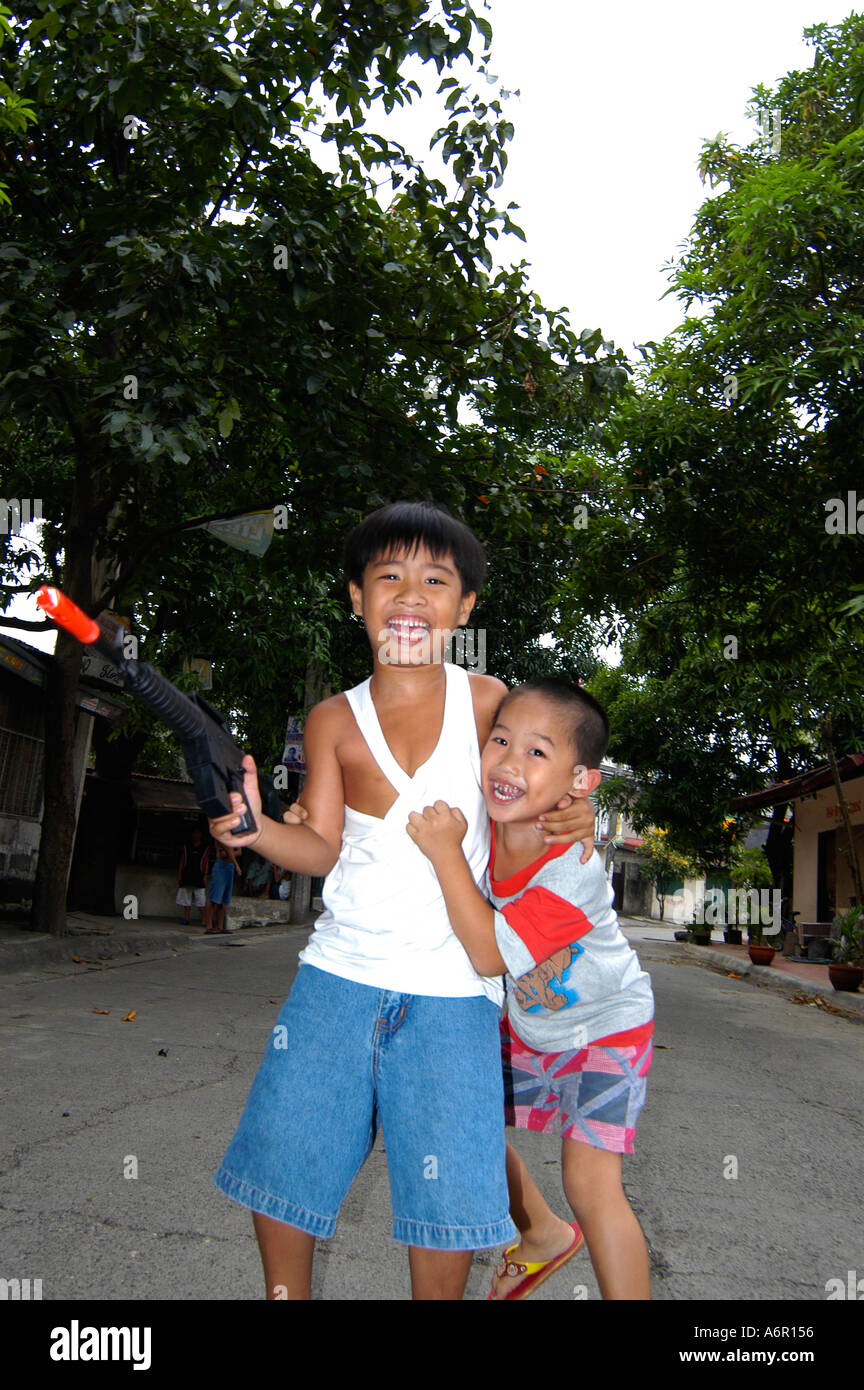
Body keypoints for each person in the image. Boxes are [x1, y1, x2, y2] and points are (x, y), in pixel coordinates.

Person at [207, 501, 596, 1301]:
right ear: (356, 598)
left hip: (455, 992)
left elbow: (546, 777)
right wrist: (253, 833)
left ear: (464, 608)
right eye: (388, 577)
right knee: (287, 1154)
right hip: (337, 976)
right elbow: (317, 842)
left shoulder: (491, 702)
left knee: (449, 1194)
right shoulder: (331, 720)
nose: (410, 595)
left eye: (434, 580)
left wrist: (575, 810)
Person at [407, 677, 654, 1301]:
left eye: (537, 752)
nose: (510, 762)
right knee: (459, 1122)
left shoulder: (570, 869)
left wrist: (444, 857)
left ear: (581, 782)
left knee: (591, 1187)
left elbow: (490, 953)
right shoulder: (486, 825)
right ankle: (542, 1233)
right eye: (500, 741)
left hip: (606, 1027)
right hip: (531, 1025)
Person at [176, 825, 211, 927]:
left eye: (198, 833)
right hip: (187, 874)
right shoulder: (187, 847)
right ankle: (187, 918)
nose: (196, 835)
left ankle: (204, 920)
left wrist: (205, 875)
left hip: (199, 875)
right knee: (186, 898)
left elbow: (206, 862)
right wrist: (179, 874)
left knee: (200, 898)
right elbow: (182, 860)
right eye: (194, 833)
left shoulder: (205, 848)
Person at [205, 841, 241, 934]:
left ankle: (220, 926)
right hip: (221, 866)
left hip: (229, 867)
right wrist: (236, 864)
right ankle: (209, 925)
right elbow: (225, 852)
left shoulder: (235, 835)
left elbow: (239, 851)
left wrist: (231, 856)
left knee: (223, 900)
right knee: (214, 897)